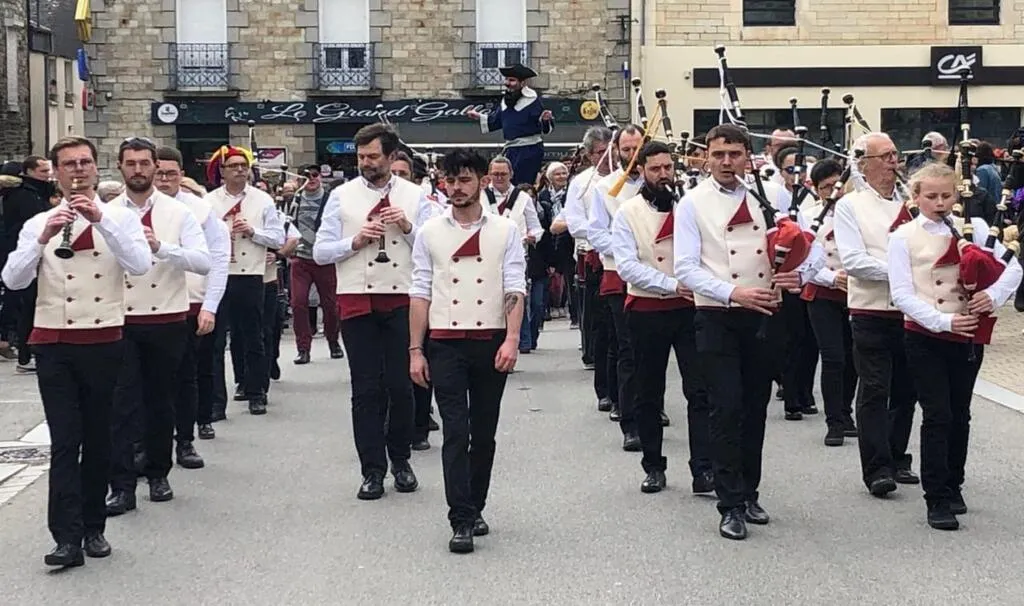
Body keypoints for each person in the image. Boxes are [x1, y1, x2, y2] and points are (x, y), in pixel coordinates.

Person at [1, 136, 151, 567]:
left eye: (85, 163)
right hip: (54, 340)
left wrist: (101, 220)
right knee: (65, 440)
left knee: (99, 436)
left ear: (96, 168)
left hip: (103, 337)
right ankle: (65, 537)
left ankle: (93, 528)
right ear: (56, 171)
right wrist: (43, 236)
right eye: (69, 164)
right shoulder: (40, 221)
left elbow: (140, 266)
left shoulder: (119, 217)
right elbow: (13, 280)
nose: (78, 170)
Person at [674, 124, 823, 540]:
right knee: (726, 406)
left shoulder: (771, 197)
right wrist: (733, 292)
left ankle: (750, 490)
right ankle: (730, 503)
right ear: (706, 156)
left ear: (747, 156)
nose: (726, 162)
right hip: (717, 313)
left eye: (734, 154)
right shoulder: (692, 203)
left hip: (764, 314)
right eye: (718, 154)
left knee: (755, 406)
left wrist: (799, 275)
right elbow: (685, 267)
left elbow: (807, 245)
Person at [888, 161, 1021, 530]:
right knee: (938, 414)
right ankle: (936, 497)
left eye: (946, 195)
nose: (940, 203)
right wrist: (943, 320)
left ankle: (954, 483)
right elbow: (901, 294)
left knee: (960, 412)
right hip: (924, 335)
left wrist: (992, 297)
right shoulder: (903, 237)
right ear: (916, 198)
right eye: (931, 196)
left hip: (967, 336)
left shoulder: (974, 228)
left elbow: (1013, 268)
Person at [408, 147, 526, 554]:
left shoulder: (505, 230)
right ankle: (459, 517)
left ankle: (477, 505)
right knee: (455, 431)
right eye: (450, 181)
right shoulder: (429, 232)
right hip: (445, 342)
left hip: (490, 339)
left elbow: (514, 286)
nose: (457, 188)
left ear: (481, 182)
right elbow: (420, 290)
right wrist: (415, 350)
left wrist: (512, 339)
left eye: (464, 180)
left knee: (484, 432)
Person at [313, 123, 435, 500]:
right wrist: (354, 240)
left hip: (401, 297)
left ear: (391, 156)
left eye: (372, 157)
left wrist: (407, 226)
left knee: (400, 386)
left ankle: (400, 460)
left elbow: (434, 247)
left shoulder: (416, 196)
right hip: (357, 298)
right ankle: (372, 469)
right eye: (361, 157)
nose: (365, 163)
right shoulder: (341, 196)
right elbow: (319, 251)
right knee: (366, 389)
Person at [105, 137, 211, 516]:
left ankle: (158, 472)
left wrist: (162, 247)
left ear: (155, 167)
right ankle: (121, 484)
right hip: (122, 316)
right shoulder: (107, 211)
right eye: (130, 163)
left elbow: (203, 261)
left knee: (159, 400)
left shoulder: (178, 212)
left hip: (167, 316)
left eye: (144, 163)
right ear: (119, 167)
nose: (138, 170)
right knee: (122, 403)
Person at [611, 141, 713, 495]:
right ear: (640, 170)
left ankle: (703, 468)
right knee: (648, 393)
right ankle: (653, 465)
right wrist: (672, 284)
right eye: (656, 168)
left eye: (668, 167)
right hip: (647, 310)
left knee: (700, 390)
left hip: (690, 310)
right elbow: (627, 266)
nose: (664, 174)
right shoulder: (627, 212)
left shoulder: (689, 207)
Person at [834, 131, 920, 497]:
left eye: (895, 155)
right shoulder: (850, 205)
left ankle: (898, 454)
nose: (892, 162)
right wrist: (903, 271)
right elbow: (853, 260)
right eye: (884, 156)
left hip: (912, 310)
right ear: (864, 164)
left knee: (907, 389)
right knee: (874, 388)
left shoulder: (911, 200)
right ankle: (876, 468)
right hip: (870, 309)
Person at [155, 146, 230, 453]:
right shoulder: (126, 208)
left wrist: (210, 307)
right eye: (158, 173)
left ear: (181, 176)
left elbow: (219, 258)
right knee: (149, 381)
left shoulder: (199, 211)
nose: (163, 180)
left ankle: (186, 438)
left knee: (191, 372)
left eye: (170, 173)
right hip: (146, 305)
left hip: (191, 301)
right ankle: (147, 445)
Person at [204, 145, 286, 416]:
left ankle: (256, 391)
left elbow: (278, 239)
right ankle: (216, 402)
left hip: (251, 274)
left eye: (243, 165)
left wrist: (253, 232)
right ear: (222, 172)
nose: (240, 170)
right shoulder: (209, 201)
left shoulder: (262, 200)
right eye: (234, 166)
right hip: (219, 275)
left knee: (254, 336)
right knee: (216, 341)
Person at [588, 124, 650, 449]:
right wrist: (625, 247)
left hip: (658, 277)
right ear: (617, 151)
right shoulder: (605, 188)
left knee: (651, 351)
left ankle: (651, 408)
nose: (631, 155)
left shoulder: (661, 182)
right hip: (619, 276)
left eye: (636, 149)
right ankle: (630, 421)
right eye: (626, 150)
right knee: (627, 349)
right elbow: (595, 232)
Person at [800, 158, 858, 446]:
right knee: (833, 357)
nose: (833, 192)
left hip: (858, 293)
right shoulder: (808, 214)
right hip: (823, 293)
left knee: (853, 358)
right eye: (825, 188)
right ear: (816, 189)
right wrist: (831, 277)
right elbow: (805, 258)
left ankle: (846, 412)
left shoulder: (857, 211)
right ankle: (834, 420)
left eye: (837, 186)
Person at [564, 126, 614, 380]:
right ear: (590, 155)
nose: (609, 158)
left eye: (611, 151)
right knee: (600, 324)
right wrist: (608, 233)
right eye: (602, 153)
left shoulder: (627, 178)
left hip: (626, 258)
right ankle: (603, 385)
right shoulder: (581, 184)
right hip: (593, 257)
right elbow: (575, 225)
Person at [1, 156, 56, 373]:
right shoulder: (25, 195)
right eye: (43, 171)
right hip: (24, 256)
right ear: (30, 172)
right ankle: (25, 354)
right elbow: (32, 223)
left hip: (28, 255)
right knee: (27, 304)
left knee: (26, 304)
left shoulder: (33, 193)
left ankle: (23, 350)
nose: (48, 175)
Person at [466, 63, 555, 186]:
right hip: (511, 150)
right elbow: (496, 121)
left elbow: (544, 127)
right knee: (505, 182)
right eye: (507, 79)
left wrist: (546, 119)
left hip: (529, 150)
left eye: (512, 80)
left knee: (521, 184)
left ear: (523, 83)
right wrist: (478, 116)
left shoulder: (533, 101)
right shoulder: (506, 101)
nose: (507, 83)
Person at [289, 165, 343, 364]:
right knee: (298, 303)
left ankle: (333, 341)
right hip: (300, 259)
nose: (311, 178)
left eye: (314, 175)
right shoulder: (293, 199)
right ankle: (303, 348)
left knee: (330, 305)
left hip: (324, 259)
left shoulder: (330, 199)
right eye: (306, 175)